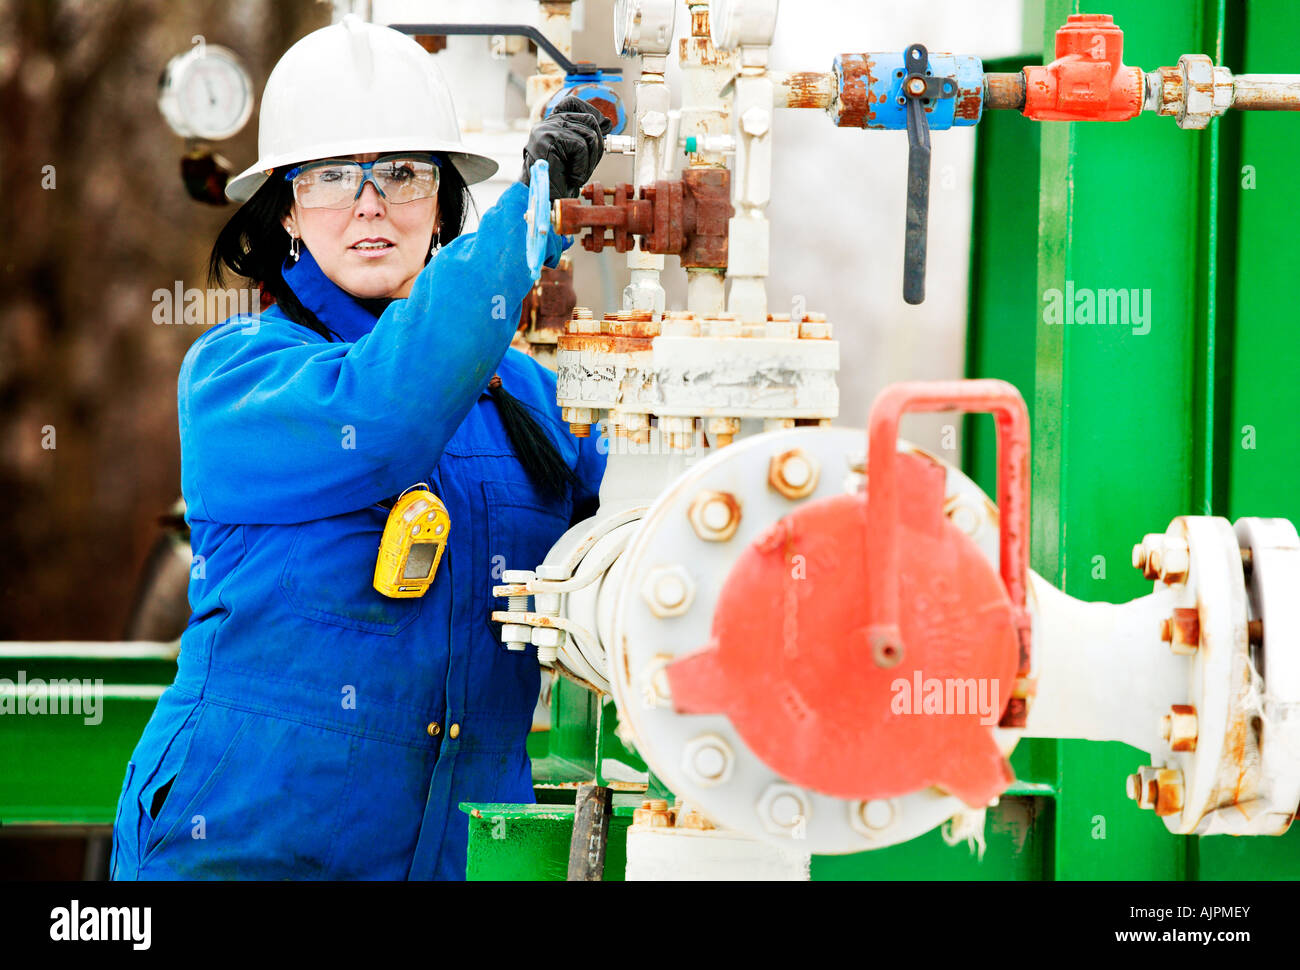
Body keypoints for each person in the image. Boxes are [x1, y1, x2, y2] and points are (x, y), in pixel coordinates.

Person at [111, 16, 610, 880]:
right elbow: (387, 415)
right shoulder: (235, 379)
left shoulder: (530, 399)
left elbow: (634, 543)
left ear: (444, 201)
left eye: (405, 174)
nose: (370, 203)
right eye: (334, 176)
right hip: (246, 849)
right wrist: (531, 211)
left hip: (455, 858)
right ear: (290, 209)